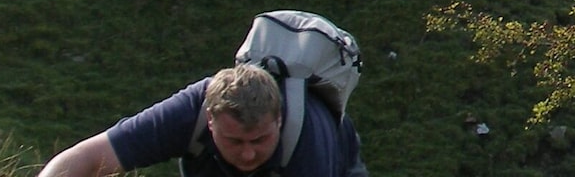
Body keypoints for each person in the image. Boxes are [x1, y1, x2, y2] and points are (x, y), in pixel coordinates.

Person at [39, 64, 365, 177]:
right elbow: (86, 159)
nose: (248, 154)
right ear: (210, 119)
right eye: (235, 141)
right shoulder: (188, 113)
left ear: (278, 120)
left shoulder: (309, 147)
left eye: (259, 141)